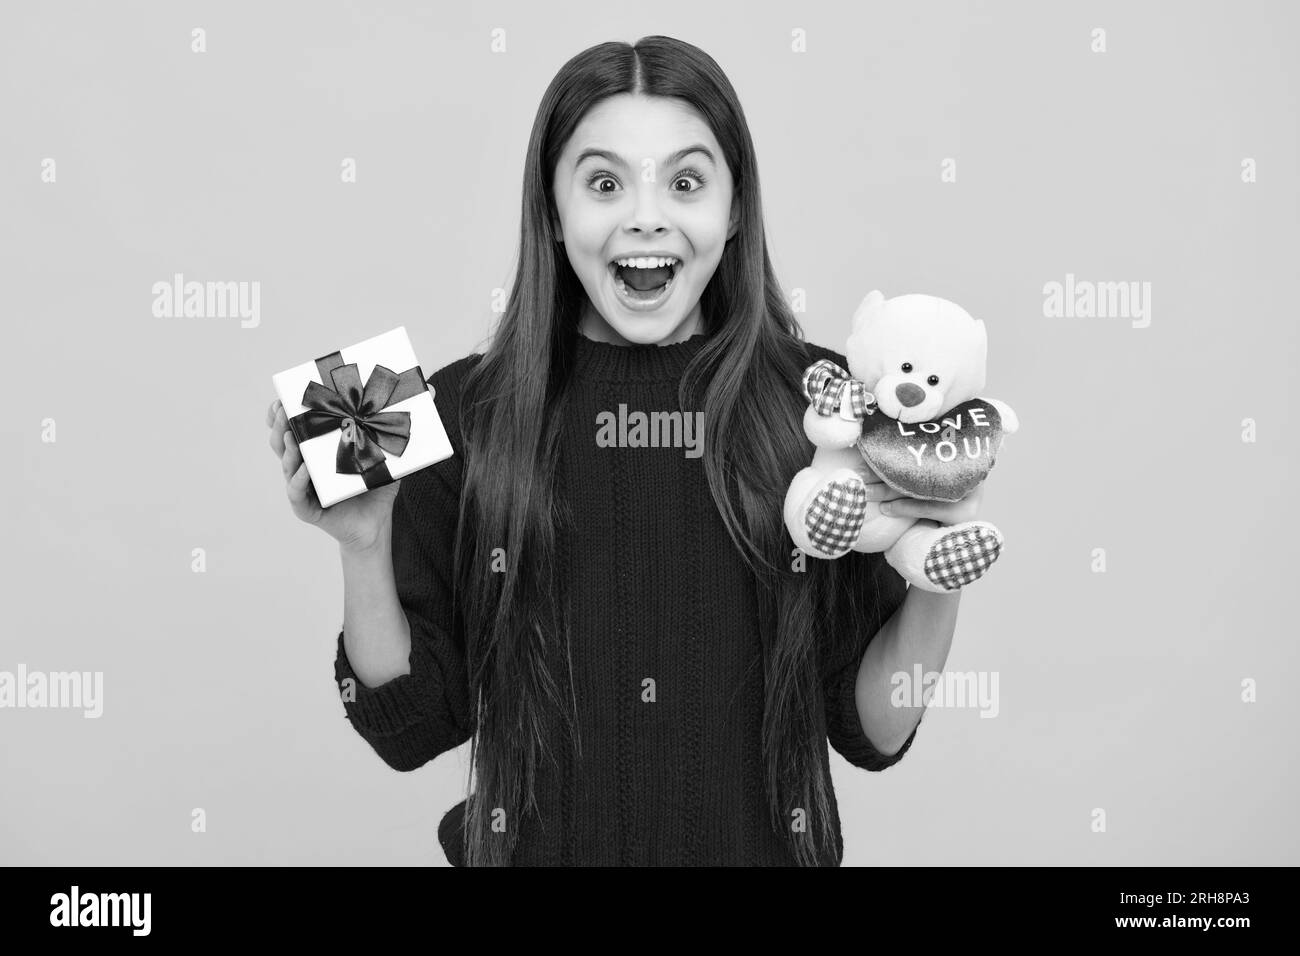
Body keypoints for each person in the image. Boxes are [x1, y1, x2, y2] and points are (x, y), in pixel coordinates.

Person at [265, 36, 981, 866]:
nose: (647, 215)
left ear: (735, 207)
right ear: (553, 210)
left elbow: (873, 727)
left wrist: (939, 563)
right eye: (605, 183)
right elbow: (413, 727)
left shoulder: (826, 405)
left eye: (686, 182)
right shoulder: (459, 410)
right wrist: (363, 547)